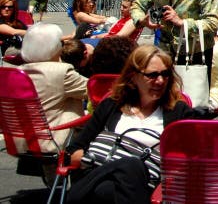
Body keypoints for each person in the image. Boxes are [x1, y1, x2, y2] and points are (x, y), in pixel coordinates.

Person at [65, 45, 196, 203]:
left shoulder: (179, 113)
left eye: (165, 74)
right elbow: (73, 151)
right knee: (128, 167)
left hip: (144, 185)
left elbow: (191, 160)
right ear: (133, 76)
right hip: (96, 177)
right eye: (152, 75)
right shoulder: (111, 105)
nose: (160, 81)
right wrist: (110, 164)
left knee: (123, 176)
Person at [19, 23, 88, 153]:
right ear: (54, 47)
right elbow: (95, 90)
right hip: (55, 140)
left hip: (21, 140)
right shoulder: (61, 72)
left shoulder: (19, 72)